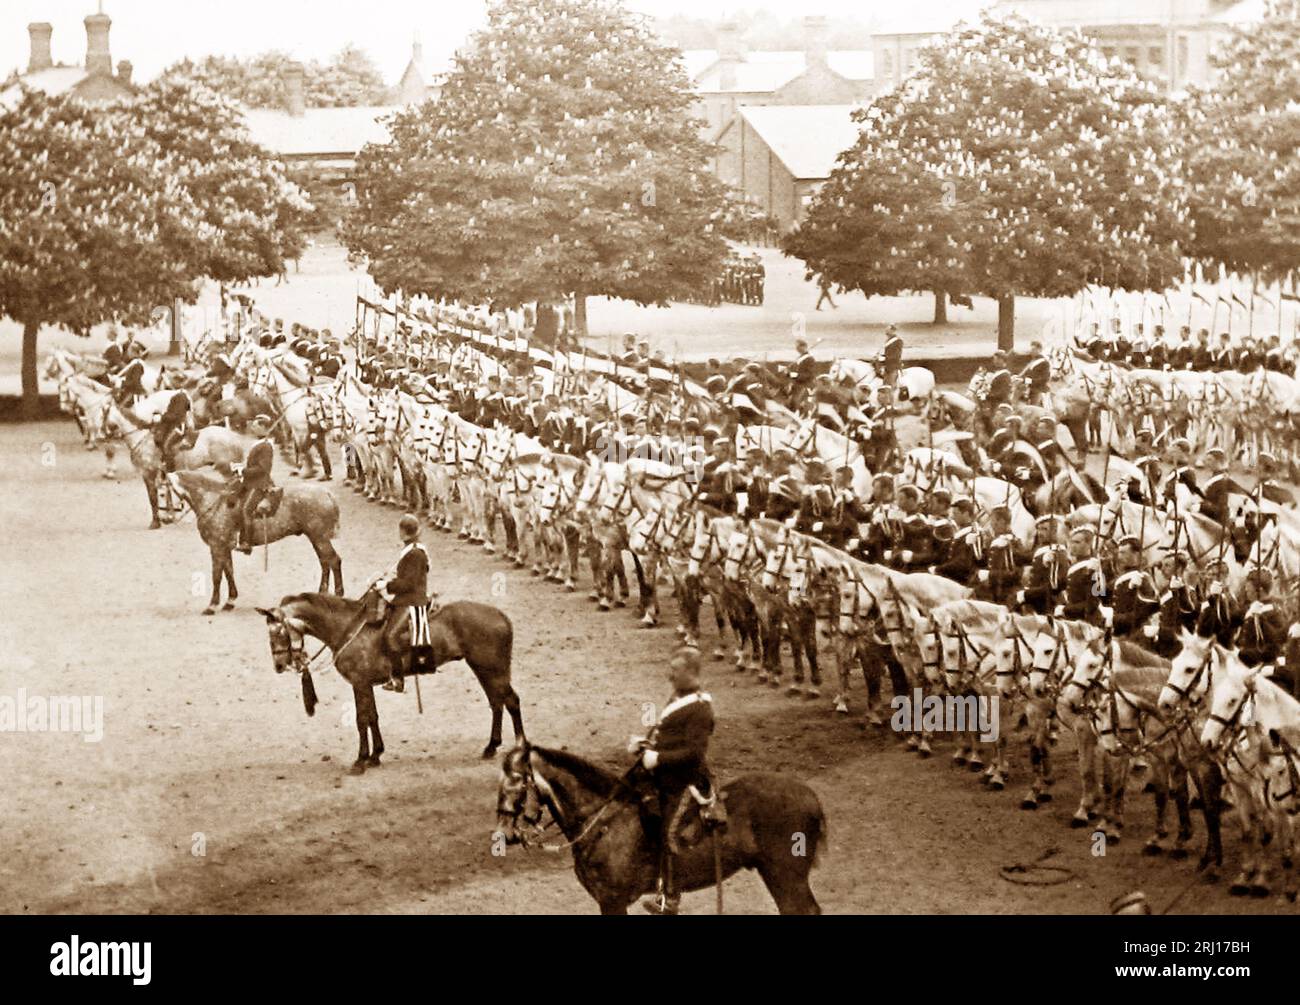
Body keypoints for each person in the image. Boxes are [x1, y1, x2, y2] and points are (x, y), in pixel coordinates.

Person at [630, 645, 715, 916]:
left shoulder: (701, 709)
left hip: (686, 782)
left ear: (691, 673)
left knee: (671, 832)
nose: (670, 675)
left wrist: (658, 759)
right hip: (663, 778)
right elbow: (665, 734)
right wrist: (644, 744)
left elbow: (694, 753)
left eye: (674, 671)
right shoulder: (678, 697)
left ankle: (671, 898)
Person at [378, 514, 433, 693]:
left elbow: (407, 584)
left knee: (390, 636)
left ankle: (397, 679)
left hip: (412, 601)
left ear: (403, 533)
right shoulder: (412, 550)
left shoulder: (415, 554)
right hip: (406, 598)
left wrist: (386, 585)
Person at [232, 417, 275, 555]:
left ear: (264, 428)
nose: (252, 428)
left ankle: (247, 543)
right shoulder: (259, 444)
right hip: (251, 481)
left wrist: (242, 471)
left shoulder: (266, 446)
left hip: (259, 484)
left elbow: (263, 469)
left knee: (246, 510)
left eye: (256, 426)